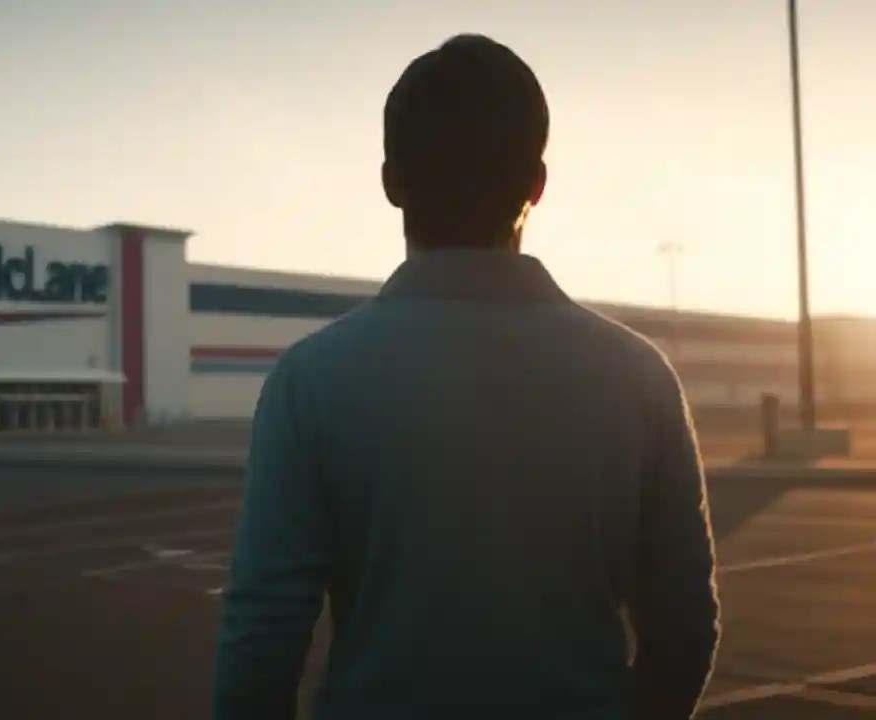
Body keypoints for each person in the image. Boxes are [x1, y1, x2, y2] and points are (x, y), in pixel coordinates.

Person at [212, 34, 721, 719]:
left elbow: (261, 643)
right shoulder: (641, 378)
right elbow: (684, 629)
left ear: (391, 181)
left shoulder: (309, 382)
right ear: (537, 185)